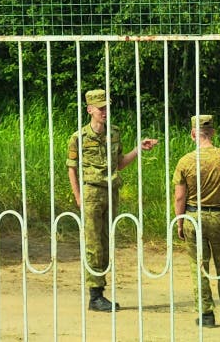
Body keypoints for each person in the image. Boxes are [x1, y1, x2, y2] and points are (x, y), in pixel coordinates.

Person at [66, 89, 158, 312]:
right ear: (90, 110)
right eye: (100, 108)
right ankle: (95, 295)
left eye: (107, 108)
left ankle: (99, 292)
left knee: (106, 242)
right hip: (91, 193)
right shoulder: (79, 137)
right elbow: (71, 168)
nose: (105, 112)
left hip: (111, 192)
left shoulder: (114, 134)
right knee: (93, 244)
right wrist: (78, 196)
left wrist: (138, 150)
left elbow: (119, 163)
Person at [173, 115, 220, 327]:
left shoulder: (185, 161)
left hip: (194, 217)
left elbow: (179, 196)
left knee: (199, 266)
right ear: (212, 132)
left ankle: (206, 314)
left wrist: (180, 221)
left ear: (193, 134)